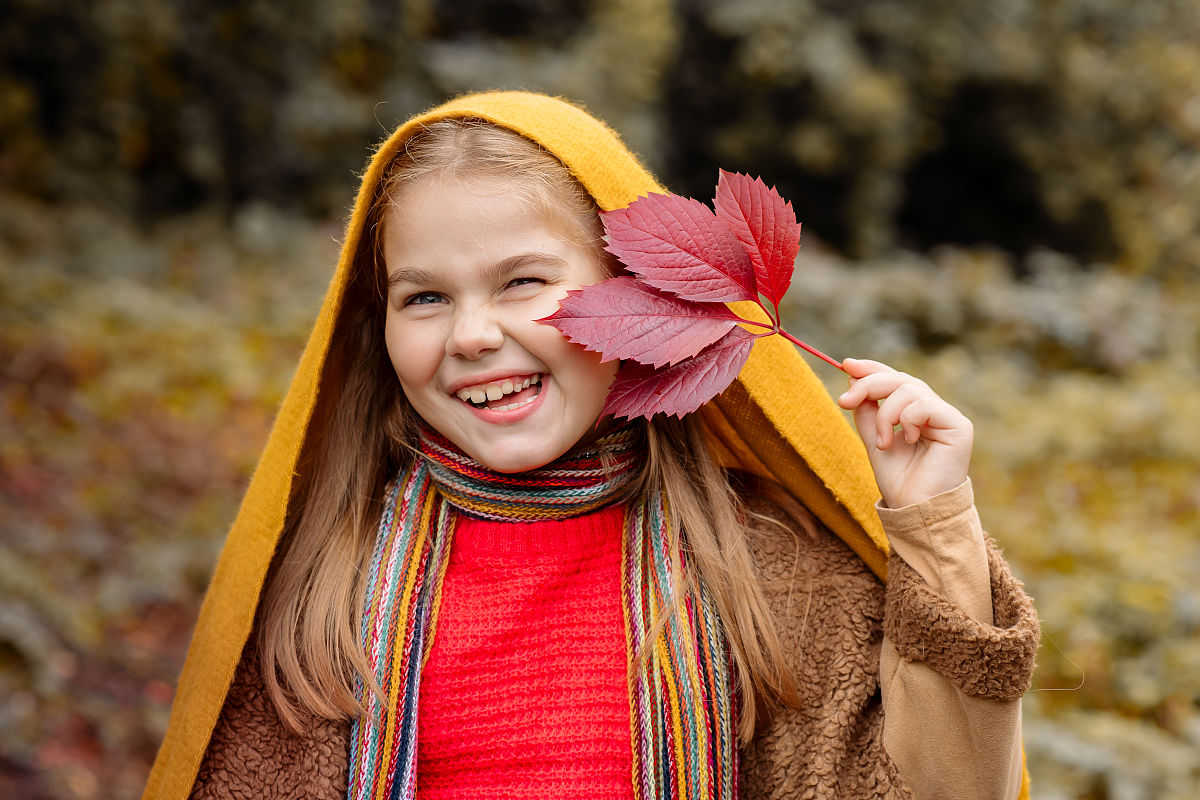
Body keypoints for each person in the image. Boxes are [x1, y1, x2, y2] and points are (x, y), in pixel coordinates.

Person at [142, 92, 1039, 800]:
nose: (472, 335)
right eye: (424, 298)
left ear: (635, 299)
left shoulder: (768, 573)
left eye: (523, 282)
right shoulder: (322, 584)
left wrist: (933, 524)